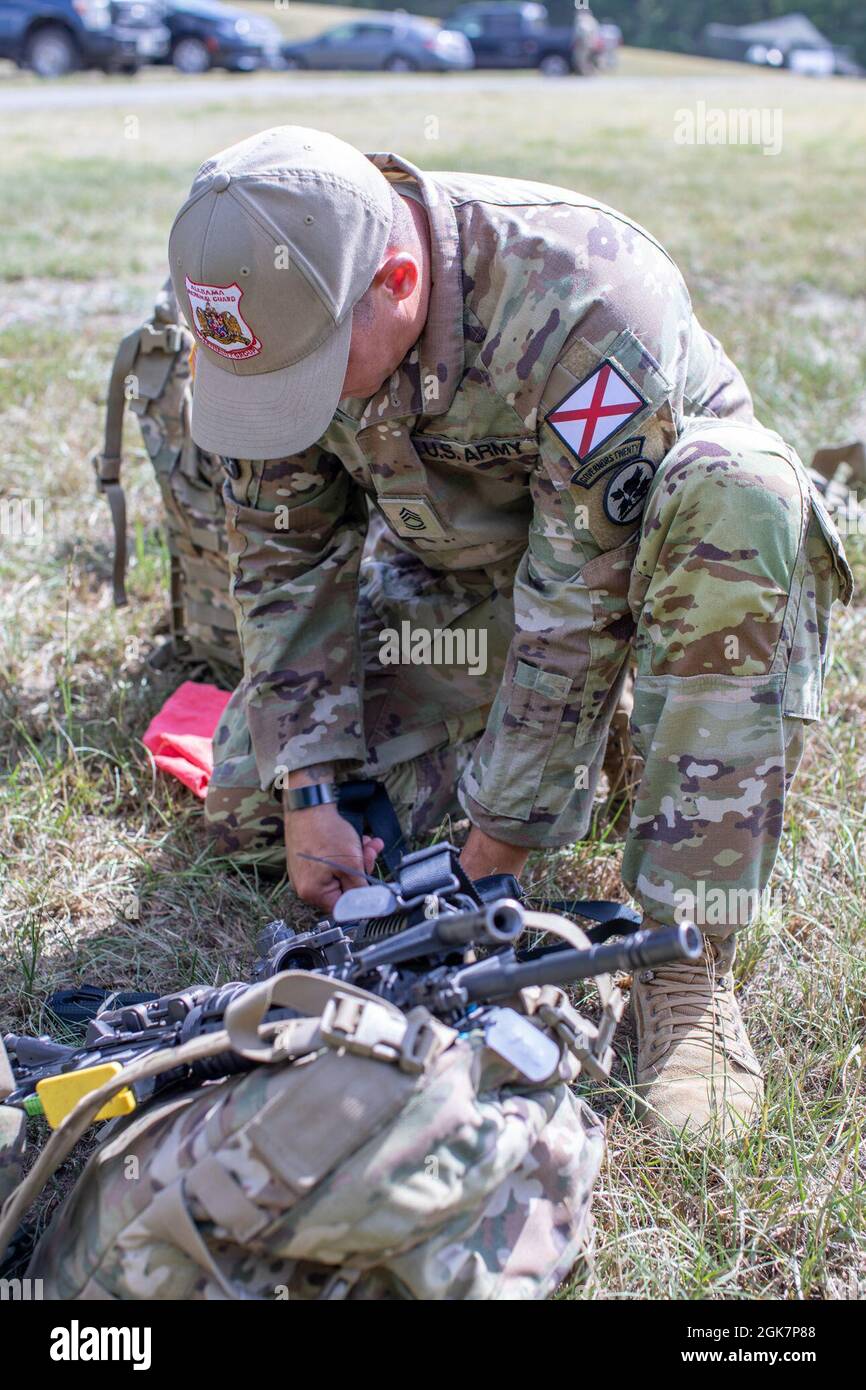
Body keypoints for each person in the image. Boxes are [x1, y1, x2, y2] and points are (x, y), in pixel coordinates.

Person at [167, 125, 851, 1136]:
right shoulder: (278, 312)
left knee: (736, 491)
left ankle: (684, 953)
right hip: (471, 593)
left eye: (306, 373)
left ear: (397, 280)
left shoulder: (582, 300)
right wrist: (312, 788)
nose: (288, 405)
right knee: (246, 813)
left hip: (657, 583)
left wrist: (490, 857)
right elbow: (282, 560)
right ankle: (592, 750)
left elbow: (580, 610)